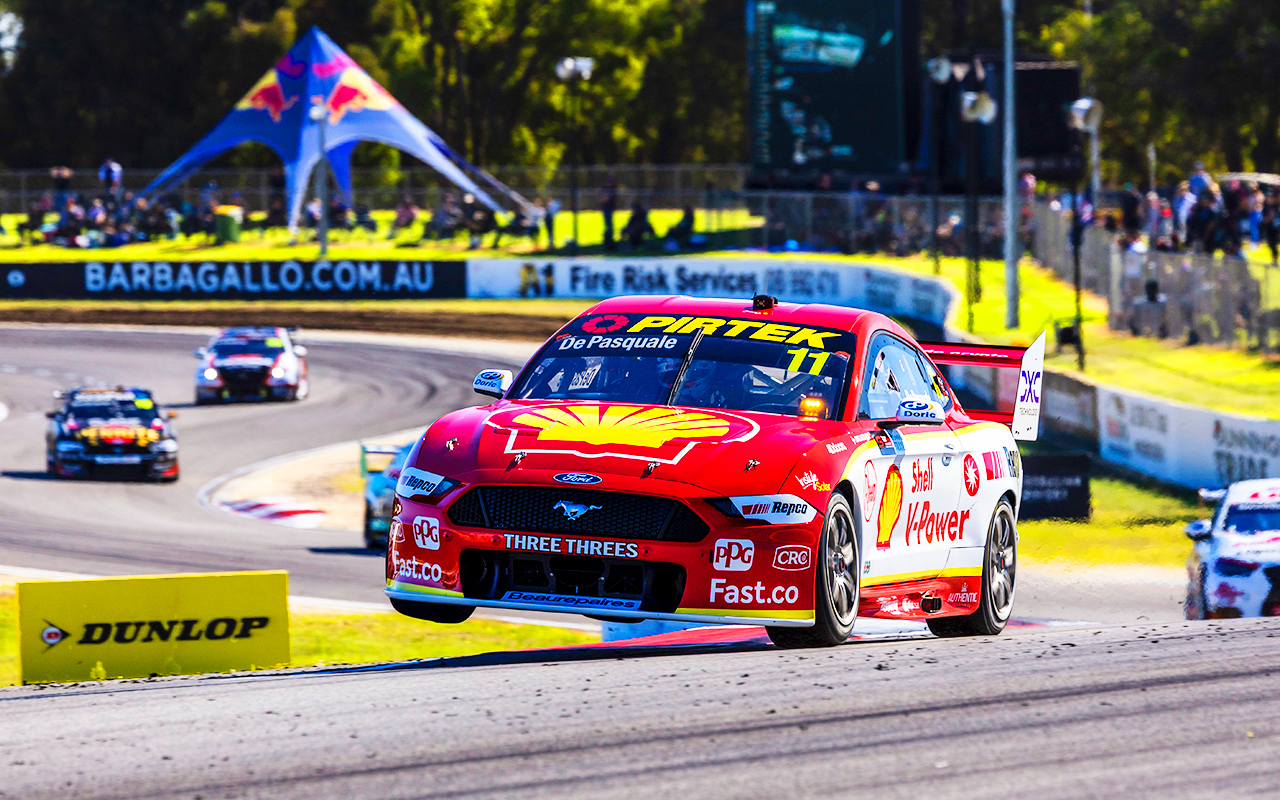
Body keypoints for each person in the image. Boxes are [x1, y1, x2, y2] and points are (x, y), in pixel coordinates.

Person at [600, 175, 618, 251]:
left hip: (610, 209)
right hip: (606, 209)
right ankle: (607, 242)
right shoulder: (605, 189)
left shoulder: (613, 189)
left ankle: (610, 242)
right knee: (608, 226)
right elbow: (604, 199)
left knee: (610, 226)